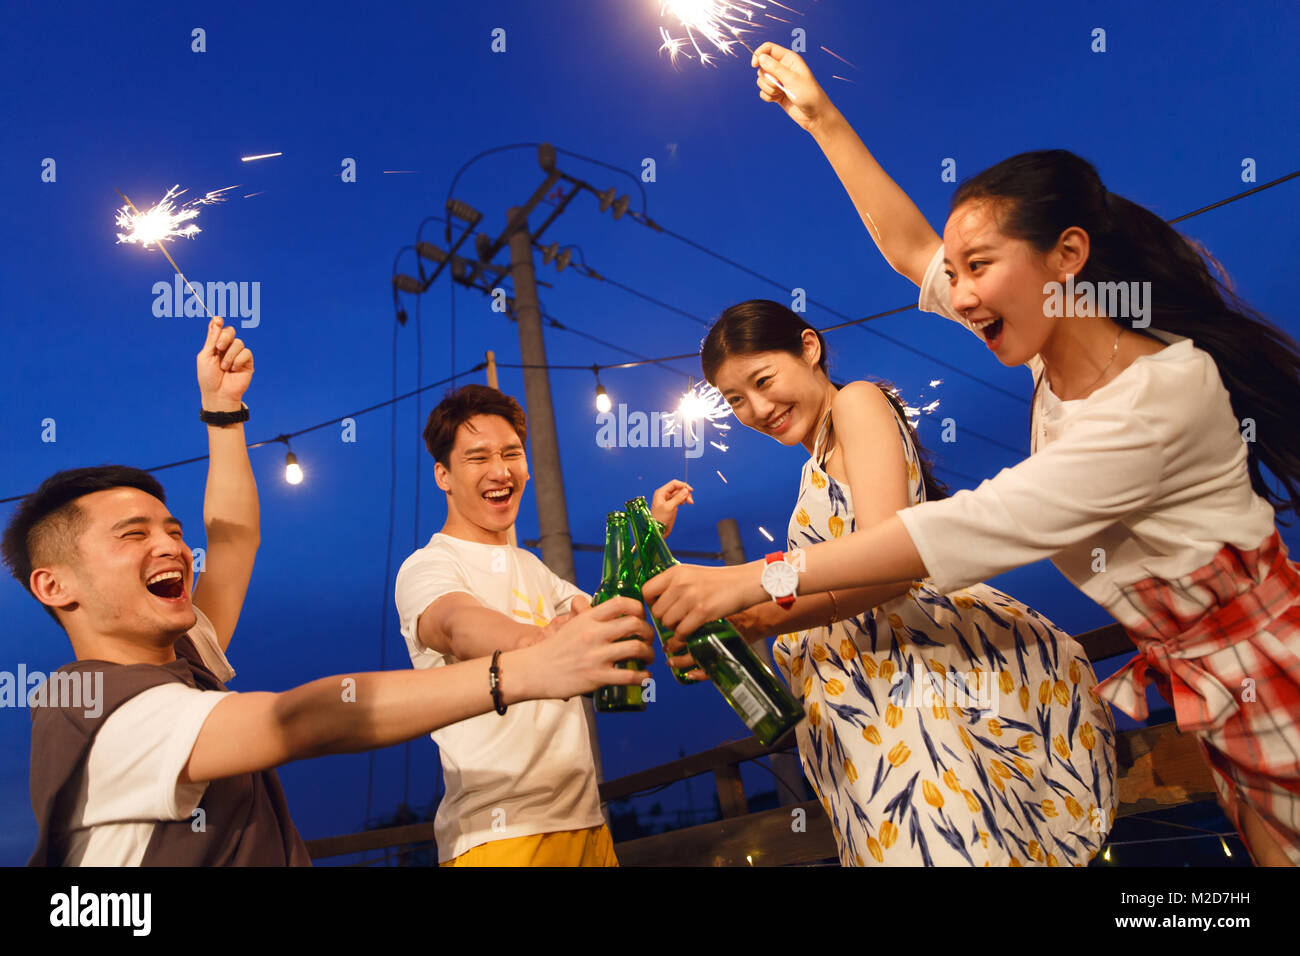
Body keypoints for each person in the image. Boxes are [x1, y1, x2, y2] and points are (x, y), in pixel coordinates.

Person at [645, 43, 1300, 866]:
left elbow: (964, 528)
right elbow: (909, 250)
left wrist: (751, 580)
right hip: (1213, 683)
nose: (955, 294)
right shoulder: (1056, 361)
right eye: (955, 275)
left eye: (977, 268)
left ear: (1066, 257)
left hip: (1273, 671)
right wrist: (821, 119)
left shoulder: (1156, 397)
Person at [2, 317, 653, 867]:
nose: (171, 545)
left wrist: (224, 411)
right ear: (53, 585)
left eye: (173, 529)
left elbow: (231, 542)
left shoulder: (186, 664)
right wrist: (524, 667)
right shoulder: (91, 715)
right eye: (132, 534)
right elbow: (304, 718)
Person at [665, 300, 1116, 866]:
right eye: (735, 400)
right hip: (867, 726)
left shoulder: (857, 401)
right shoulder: (815, 463)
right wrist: (737, 622)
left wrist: (749, 587)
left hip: (915, 710)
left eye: (762, 380)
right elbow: (831, 595)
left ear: (809, 349)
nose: (757, 409)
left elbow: (888, 560)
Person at [396, 383, 691, 867]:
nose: (501, 471)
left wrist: (652, 531)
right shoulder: (428, 565)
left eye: (512, 453)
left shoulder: (531, 567)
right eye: (478, 458)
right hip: (500, 838)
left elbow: (605, 612)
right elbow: (455, 624)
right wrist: (540, 645)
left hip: (587, 822)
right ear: (443, 475)